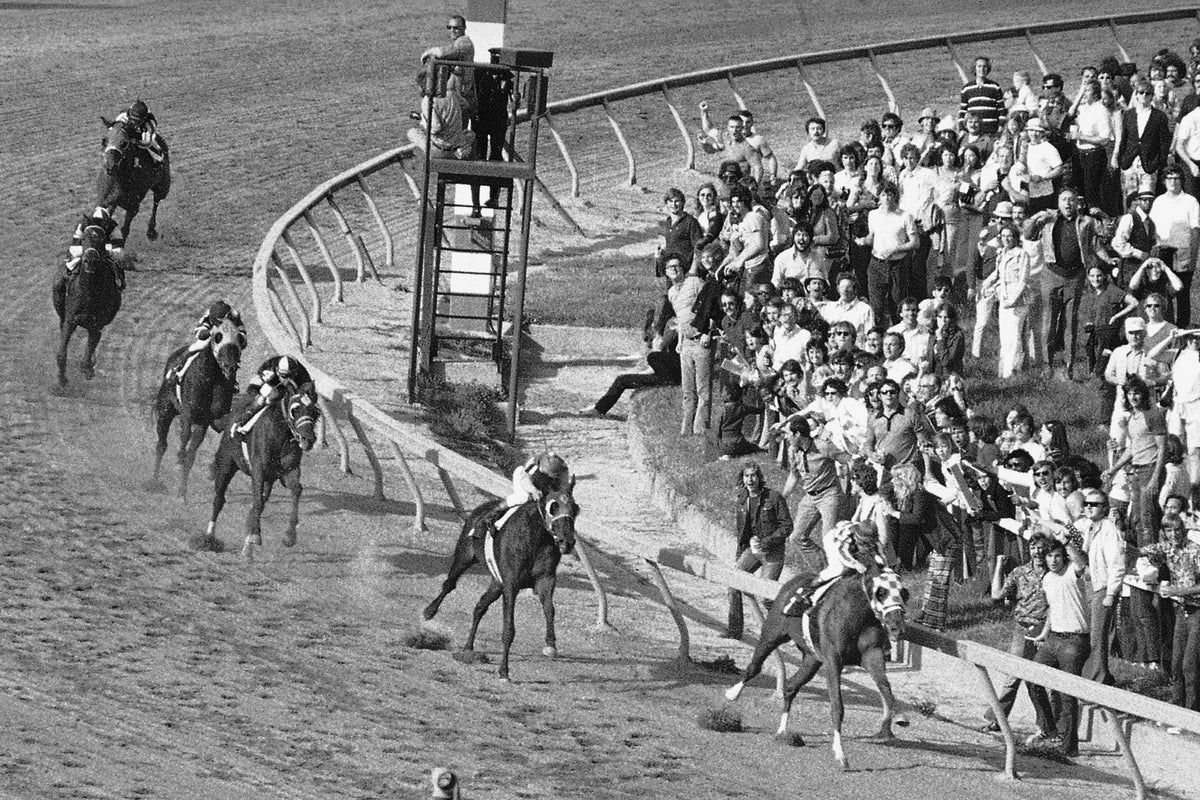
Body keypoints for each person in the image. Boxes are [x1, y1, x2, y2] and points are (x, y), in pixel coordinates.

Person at [1023, 188, 1114, 380]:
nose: (1068, 203)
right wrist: (1036, 217)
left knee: (1070, 323)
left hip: (1075, 276)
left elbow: (1106, 235)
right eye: (1064, 199)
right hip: (1051, 274)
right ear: (1058, 203)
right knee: (1049, 321)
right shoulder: (1048, 220)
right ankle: (1047, 365)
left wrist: (1103, 215)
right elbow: (1028, 235)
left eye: (1071, 200)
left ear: (1077, 203)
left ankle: (1068, 367)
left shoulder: (1087, 222)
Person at [1027, 535, 1090, 757]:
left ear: (1064, 557)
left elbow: (1081, 563)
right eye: (1049, 556)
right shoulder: (1047, 579)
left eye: (1057, 556)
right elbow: (1053, 608)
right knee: (1031, 678)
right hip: (1054, 638)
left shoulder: (1072, 571)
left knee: (1067, 693)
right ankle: (1050, 729)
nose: (1053, 560)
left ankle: (1069, 746)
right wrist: (1044, 634)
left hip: (1075, 640)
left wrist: (1065, 542)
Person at [984, 534, 1051, 733]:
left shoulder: (1055, 573)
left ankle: (1048, 726)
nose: (1038, 552)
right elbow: (997, 594)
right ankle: (998, 718)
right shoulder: (1020, 572)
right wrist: (999, 566)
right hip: (1022, 629)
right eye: (1033, 548)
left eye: (1041, 548)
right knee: (1013, 675)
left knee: (1040, 680)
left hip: (1046, 630)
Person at [726, 463, 792, 639]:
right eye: (746, 476)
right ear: (743, 479)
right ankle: (734, 631)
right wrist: (740, 556)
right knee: (733, 583)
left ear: (760, 478)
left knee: (767, 597)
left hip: (773, 552)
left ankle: (788, 628)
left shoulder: (774, 498)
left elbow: (787, 526)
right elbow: (742, 531)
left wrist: (767, 541)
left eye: (753, 475)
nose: (750, 480)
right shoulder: (742, 499)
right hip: (752, 550)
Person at [1141, 513, 1200, 709]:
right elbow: (1144, 550)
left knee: (1189, 666)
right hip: (1181, 610)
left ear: (1183, 530)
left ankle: (1192, 712)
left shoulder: (1194, 550)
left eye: (1177, 530)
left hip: (1197, 611)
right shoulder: (1167, 548)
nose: (1173, 534)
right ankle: (1176, 706)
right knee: (1176, 664)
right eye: (1169, 530)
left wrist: (1178, 591)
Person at [1104, 376, 1169, 549]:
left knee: (1147, 516)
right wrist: (1113, 469)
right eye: (1130, 393)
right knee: (1138, 517)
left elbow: (1162, 448)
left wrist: (1155, 477)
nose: (1133, 397)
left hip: (1151, 468)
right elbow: (1133, 448)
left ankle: (1151, 554)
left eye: (1137, 393)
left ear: (1143, 394)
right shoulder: (1132, 418)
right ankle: (1144, 553)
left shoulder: (1152, 415)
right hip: (1137, 470)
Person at [1074, 489, 1124, 685]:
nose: (1089, 507)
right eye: (1086, 503)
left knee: (1098, 637)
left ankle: (1097, 680)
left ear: (1105, 508)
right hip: (1090, 586)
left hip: (1103, 589)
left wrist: (1110, 594)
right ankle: (1100, 676)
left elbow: (1117, 564)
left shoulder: (1110, 530)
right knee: (1090, 635)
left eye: (1094, 504)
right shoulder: (1090, 527)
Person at [580, 323, 680, 417]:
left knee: (652, 358)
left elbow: (661, 351)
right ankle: (599, 408)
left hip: (670, 375)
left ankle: (599, 409)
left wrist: (661, 340)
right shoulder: (674, 326)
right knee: (623, 379)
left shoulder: (674, 327)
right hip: (670, 372)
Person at [781, 416, 845, 554]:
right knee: (796, 538)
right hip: (810, 496)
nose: (786, 438)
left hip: (829, 495)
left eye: (788, 434)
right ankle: (823, 565)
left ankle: (839, 565)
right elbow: (793, 476)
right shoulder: (792, 451)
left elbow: (848, 460)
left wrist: (848, 483)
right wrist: (782, 498)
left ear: (798, 434)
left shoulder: (824, 446)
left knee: (829, 540)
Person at [858, 183, 918, 326]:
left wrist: (895, 249)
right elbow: (872, 237)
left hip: (898, 266)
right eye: (883, 195)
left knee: (897, 306)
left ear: (895, 196)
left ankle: (900, 334)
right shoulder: (873, 215)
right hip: (876, 264)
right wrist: (863, 240)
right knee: (876, 308)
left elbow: (915, 243)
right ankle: (878, 336)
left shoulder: (905, 216)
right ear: (879, 197)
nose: (887, 198)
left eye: (890, 195)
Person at [1149, 165, 1200, 325]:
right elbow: (1152, 227)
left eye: (1176, 178)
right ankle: (1164, 326)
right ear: (1164, 181)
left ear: (1182, 181)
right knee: (1162, 291)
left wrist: (1192, 259)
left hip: (1183, 252)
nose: (1173, 182)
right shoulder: (1159, 201)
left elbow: (1195, 230)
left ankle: (1183, 328)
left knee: (1182, 292)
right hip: (1162, 251)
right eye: (1169, 178)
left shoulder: (1190, 201)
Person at [980, 224, 1031, 378]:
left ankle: (1013, 370)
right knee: (1005, 336)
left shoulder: (1022, 254)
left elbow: (1023, 280)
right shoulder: (1002, 253)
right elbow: (998, 273)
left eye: (1009, 236)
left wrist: (1013, 299)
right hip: (1003, 296)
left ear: (1015, 238)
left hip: (1018, 299)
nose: (1006, 239)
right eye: (1003, 236)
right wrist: (986, 283)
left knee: (1014, 335)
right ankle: (1004, 371)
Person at [1115, 80, 1171, 199]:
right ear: (1136, 94)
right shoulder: (1128, 114)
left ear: (1152, 96)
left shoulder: (1159, 116)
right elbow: (1124, 138)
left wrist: (1159, 162)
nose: (1144, 95)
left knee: (1147, 198)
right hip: (1130, 162)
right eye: (1141, 92)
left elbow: (1164, 142)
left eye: (1148, 93)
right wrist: (1121, 159)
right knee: (1129, 198)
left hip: (1149, 164)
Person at [234, 355, 313, 434]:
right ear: (277, 370)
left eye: (291, 375)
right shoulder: (268, 368)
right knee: (265, 394)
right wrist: (258, 396)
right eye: (284, 376)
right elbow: (252, 387)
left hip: (294, 389)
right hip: (274, 387)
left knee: (305, 402)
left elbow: (309, 389)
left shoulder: (302, 373)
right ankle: (243, 421)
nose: (287, 379)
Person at [506, 451, 573, 510]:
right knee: (525, 497)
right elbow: (525, 481)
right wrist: (534, 491)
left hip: (543, 482)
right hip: (522, 476)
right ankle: (505, 504)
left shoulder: (563, 469)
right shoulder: (534, 465)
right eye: (544, 473)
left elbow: (564, 486)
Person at [960, 56, 1005, 135]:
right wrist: (961, 128)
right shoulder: (966, 88)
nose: (982, 69)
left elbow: (1001, 109)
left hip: (991, 130)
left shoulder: (995, 86)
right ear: (975, 68)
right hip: (974, 130)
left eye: (984, 66)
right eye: (979, 66)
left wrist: (1001, 125)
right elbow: (963, 111)